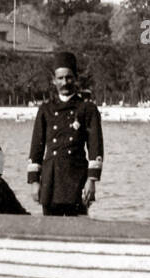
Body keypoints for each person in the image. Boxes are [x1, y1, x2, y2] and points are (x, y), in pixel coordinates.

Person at [28, 51, 104, 216]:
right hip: (50, 180)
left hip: (76, 179)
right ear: (53, 81)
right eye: (60, 78)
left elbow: (95, 147)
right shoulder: (45, 110)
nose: (65, 82)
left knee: (78, 229)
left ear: (75, 78)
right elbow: (36, 148)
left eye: (68, 77)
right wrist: (34, 181)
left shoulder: (87, 108)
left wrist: (91, 180)